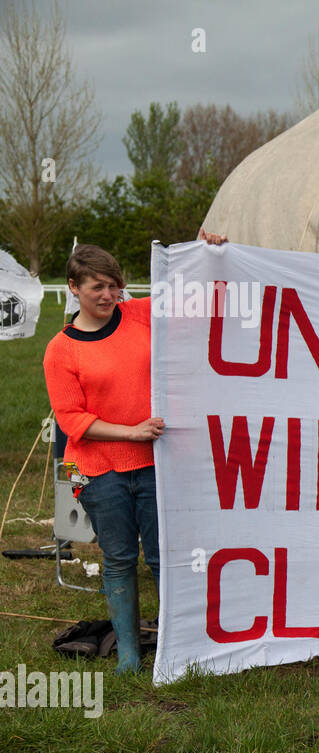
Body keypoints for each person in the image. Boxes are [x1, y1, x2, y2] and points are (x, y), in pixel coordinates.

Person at [43, 231, 226, 673]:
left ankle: (175, 646)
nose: (108, 295)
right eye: (97, 287)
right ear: (74, 288)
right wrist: (132, 432)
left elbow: (197, 299)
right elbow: (72, 420)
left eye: (114, 286)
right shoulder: (60, 350)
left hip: (157, 463)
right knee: (119, 557)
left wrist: (205, 252)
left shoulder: (140, 314)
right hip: (95, 470)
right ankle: (128, 652)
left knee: (164, 556)